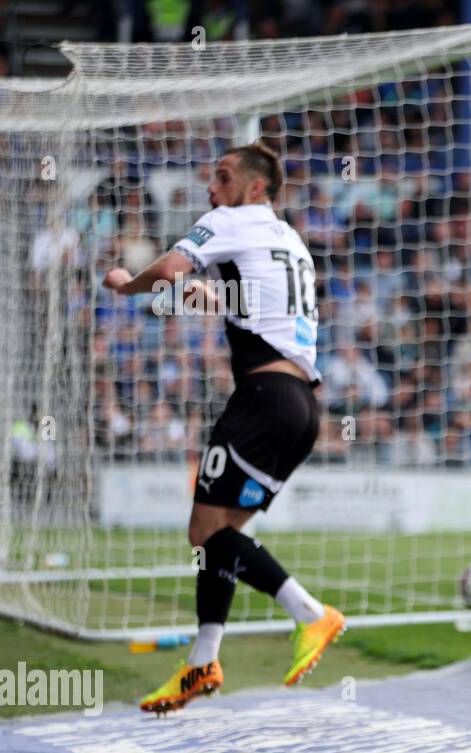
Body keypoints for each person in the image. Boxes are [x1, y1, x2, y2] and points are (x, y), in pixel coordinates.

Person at [102, 143, 345, 714]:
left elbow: (164, 270)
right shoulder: (292, 242)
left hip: (263, 400)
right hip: (301, 407)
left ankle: (311, 614)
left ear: (255, 187)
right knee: (223, 535)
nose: (211, 189)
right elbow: (267, 311)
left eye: (223, 177)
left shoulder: (229, 220)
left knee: (204, 532)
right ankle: (201, 663)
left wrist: (125, 283)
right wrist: (216, 297)